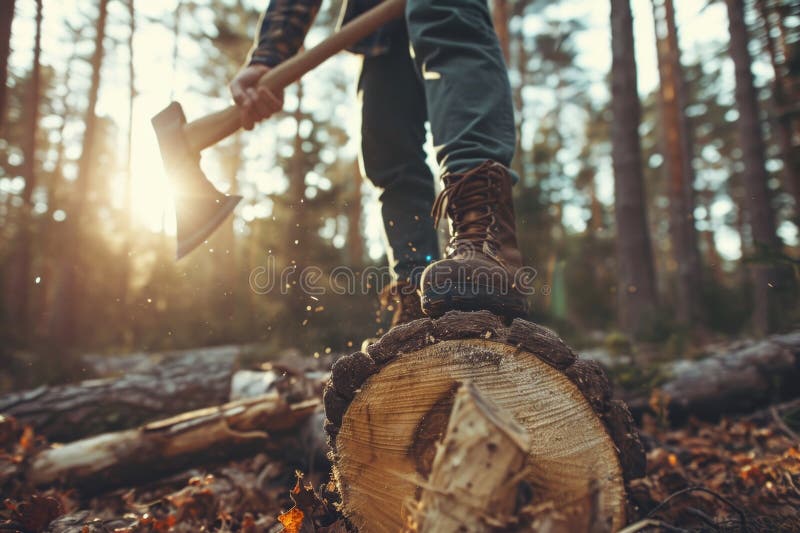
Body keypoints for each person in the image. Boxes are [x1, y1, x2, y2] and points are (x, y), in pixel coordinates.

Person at [231, 0, 529, 326]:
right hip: (379, 24)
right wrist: (268, 55)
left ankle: (486, 243)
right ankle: (416, 289)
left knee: (451, 33)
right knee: (386, 144)